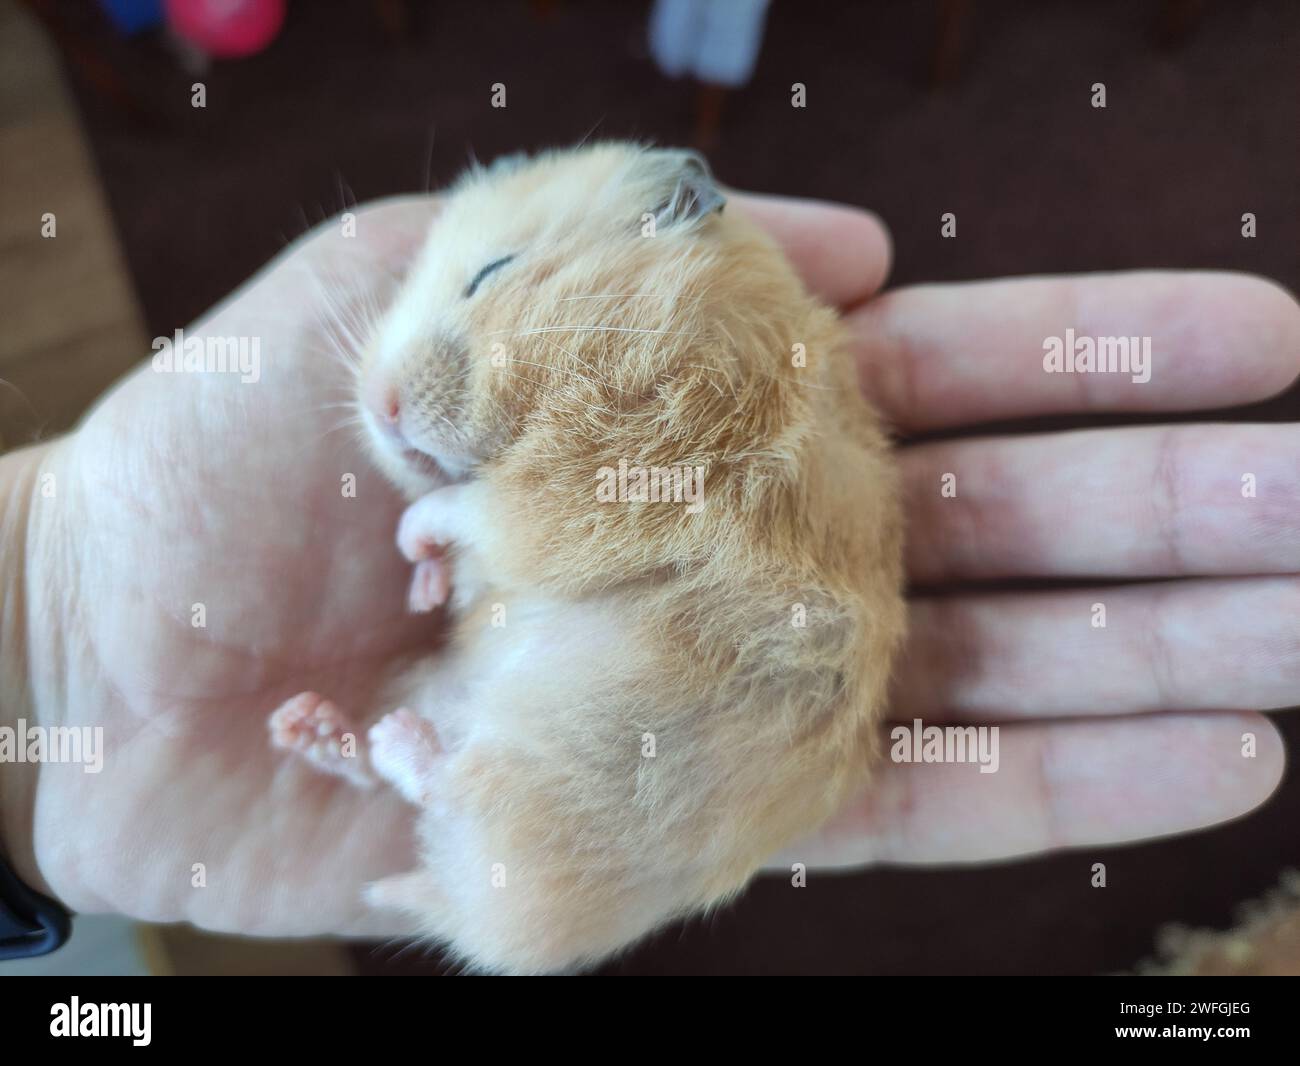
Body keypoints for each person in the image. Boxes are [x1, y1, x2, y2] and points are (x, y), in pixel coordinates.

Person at [0, 192, 1295, 952]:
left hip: (609, 740)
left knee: (525, 794)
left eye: (495, 278)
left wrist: (483, 527)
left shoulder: (710, 381)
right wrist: (44, 605)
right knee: (498, 777)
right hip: (566, 743)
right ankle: (437, 784)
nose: (396, 379)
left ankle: (443, 788)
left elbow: (628, 523)